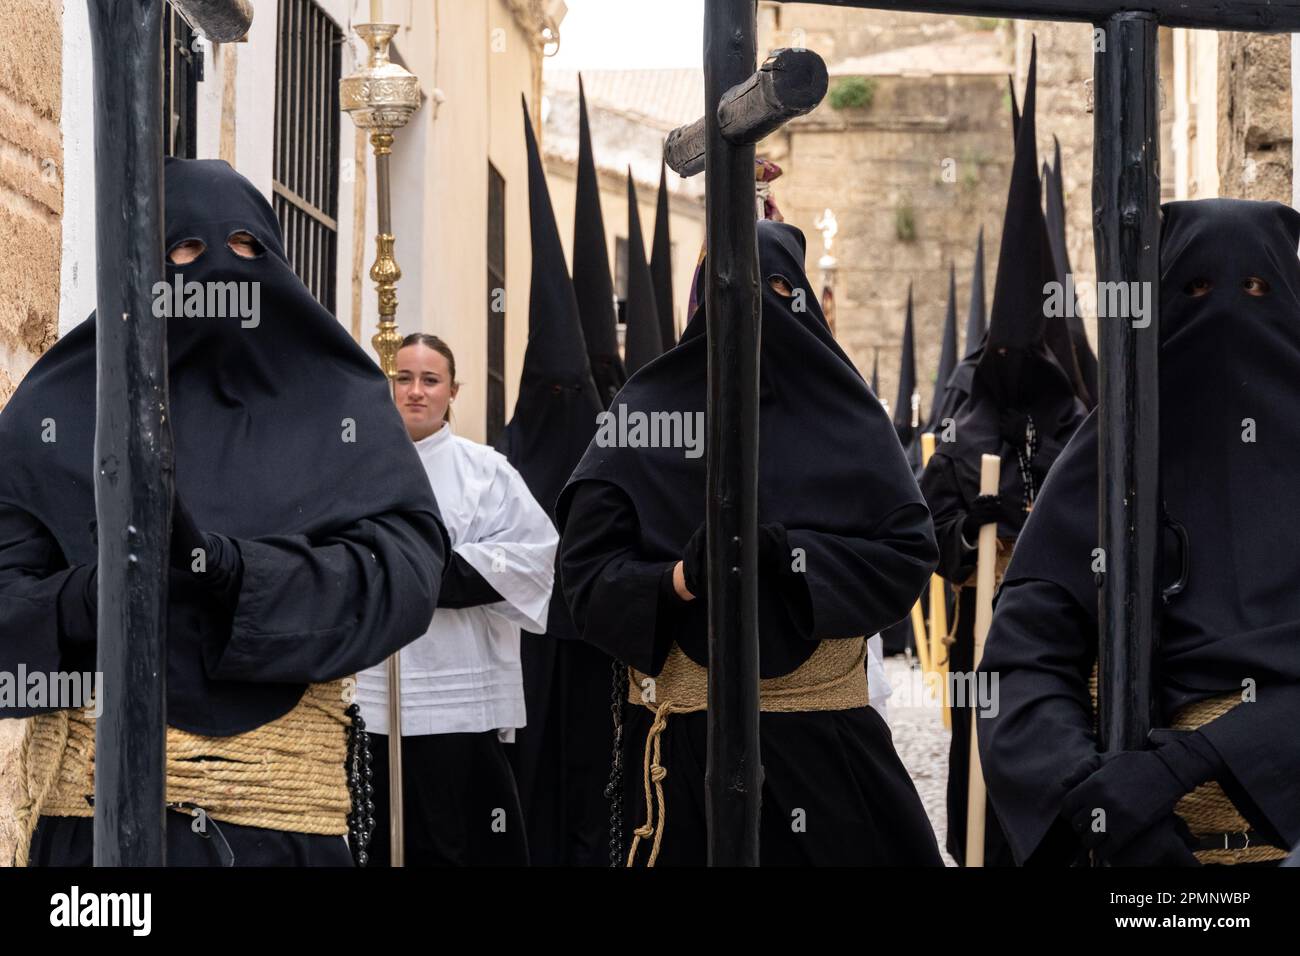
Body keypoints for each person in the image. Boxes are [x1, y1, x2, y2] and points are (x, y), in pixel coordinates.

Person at [0, 158, 447, 866]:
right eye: (183, 253)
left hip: (282, 838)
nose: (217, 278)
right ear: (139, 267)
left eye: (245, 251)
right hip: (95, 841)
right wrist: (96, 593)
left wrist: (236, 572)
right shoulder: (60, 410)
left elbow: (406, 572)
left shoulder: (339, 406)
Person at [557, 219, 943, 866]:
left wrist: (794, 559)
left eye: (775, 292)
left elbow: (906, 554)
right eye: (733, 294)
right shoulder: (644, 415)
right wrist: (680, 578)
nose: (753, 314)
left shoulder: (852, 422)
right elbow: (586, 581)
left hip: (830, 757)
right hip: (685, 757)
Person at [978, 198, 1300, 867]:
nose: (1227, 315)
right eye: (1198, 290)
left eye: (1257, 291)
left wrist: (1195, 761)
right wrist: (1094, 800)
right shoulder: (1106, 466)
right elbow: (1022, 662)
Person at [918, 45, 1087, 866]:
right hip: (976, 638)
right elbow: (925, 520)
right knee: (979, 783)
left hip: (1067, 644)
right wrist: (965, 535)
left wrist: (1036, 527)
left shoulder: (1085, 414)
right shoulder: (967, 413)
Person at [356, 333, 557, 867]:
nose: (415, 391)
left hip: (457, 690)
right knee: (372, 836)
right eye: (403, 377)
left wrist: (426, 576)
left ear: (453, 391)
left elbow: (534, 556)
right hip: (373, 686)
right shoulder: (352, 466)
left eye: (430, 380)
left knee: (455, 839)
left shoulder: (485, 471)